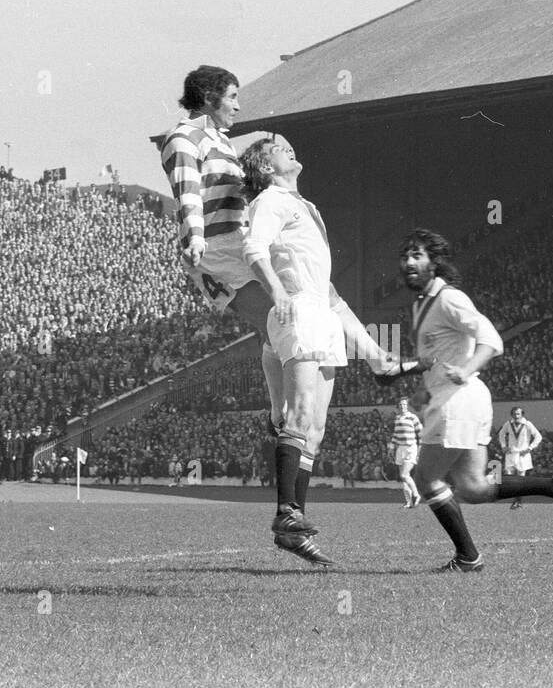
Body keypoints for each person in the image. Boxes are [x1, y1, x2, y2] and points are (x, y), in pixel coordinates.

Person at [160, 67, 394, 436]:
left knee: (319, 296)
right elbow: (187, 190)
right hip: (217, 248)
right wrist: (195, 235)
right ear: (209, 98)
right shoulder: (183, 138)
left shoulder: (220, 141)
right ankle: (280, 412)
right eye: (232, 97)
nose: (238, 106)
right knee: (283, 319)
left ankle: (378, 360)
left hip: (237, 239)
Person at [394, 229, 553, 573]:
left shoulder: (449, 299)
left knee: (425, 479)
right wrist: (426, 388)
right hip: (456, 399)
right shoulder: (421, 304)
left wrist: (465, 370)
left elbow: (491, 340)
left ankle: (468, 557)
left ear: (434, 263)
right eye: (405, 255)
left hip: (458, 399)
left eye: (417, 255)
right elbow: (440, 355)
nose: (408, 262)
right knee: (473, 487)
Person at [239, 135, 344, 567]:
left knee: (314, 429)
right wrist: (278, 291)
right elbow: (253, 248)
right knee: (300, 417)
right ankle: (286, 513)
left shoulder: (304, 205)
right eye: (279, 149)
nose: (291, 150)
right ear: (266, 167)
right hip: (298, 306)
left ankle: (294, 527)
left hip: (320, 311)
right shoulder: (271, 199)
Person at [497, 406, 542, 509]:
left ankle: (518, 501)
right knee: (509, 477)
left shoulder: (527, 424)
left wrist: (530, 448)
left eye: (518, 414)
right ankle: (515, 499)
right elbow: (501, 435)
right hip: (511, 453)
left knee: (521, 478)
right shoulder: (508, 423)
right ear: (511, 414)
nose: (516, 416)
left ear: (522, 415)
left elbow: (538, 436)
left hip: (523, 454)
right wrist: (504, 446)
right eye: (514, 414)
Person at [389, 397, 424, 508]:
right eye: (400, 404)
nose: (402, 406)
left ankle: (416, 495)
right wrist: (391, 447)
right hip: (400, 449)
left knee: (405, 474)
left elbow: (421, 434)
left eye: (404, 404)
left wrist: (419, 449)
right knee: (403, 477)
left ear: (407, 406)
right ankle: (408, 502)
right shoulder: (397, 418)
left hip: (410, 448)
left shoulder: (413, 417)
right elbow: (395, 435)